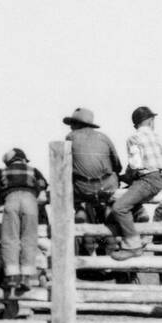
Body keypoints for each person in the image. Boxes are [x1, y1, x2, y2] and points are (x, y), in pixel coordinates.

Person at [108, 107, 162, 260]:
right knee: (130, 198)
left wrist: (124, 177)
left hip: (147, 179)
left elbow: (135, 165)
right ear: (150, 120)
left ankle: (133, 246)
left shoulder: (133, 138)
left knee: (119, 207)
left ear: (136, 124)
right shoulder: (158, 137)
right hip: (159, 177)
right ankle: (140, 219)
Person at [0, 148, 48, 293]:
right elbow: (43, 184)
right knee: (29, 238)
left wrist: (4, 189)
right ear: (23, 159)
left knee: (9, 238)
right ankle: (26, 277)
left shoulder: (2, 171)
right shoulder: (34, 170)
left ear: (8, 161)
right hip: (30, 201)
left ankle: (12, 275)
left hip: (11, 199)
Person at [64, 107, 121, 258]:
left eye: (72, 123)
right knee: (111, 203)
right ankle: (111, 219)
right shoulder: (103, 137)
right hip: (107, 186)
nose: (70, 126)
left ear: (77, 124)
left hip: (83, 188)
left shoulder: (70, 138)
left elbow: (64, 166)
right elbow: (117, 164)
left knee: (74, 186)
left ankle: (81, 210)